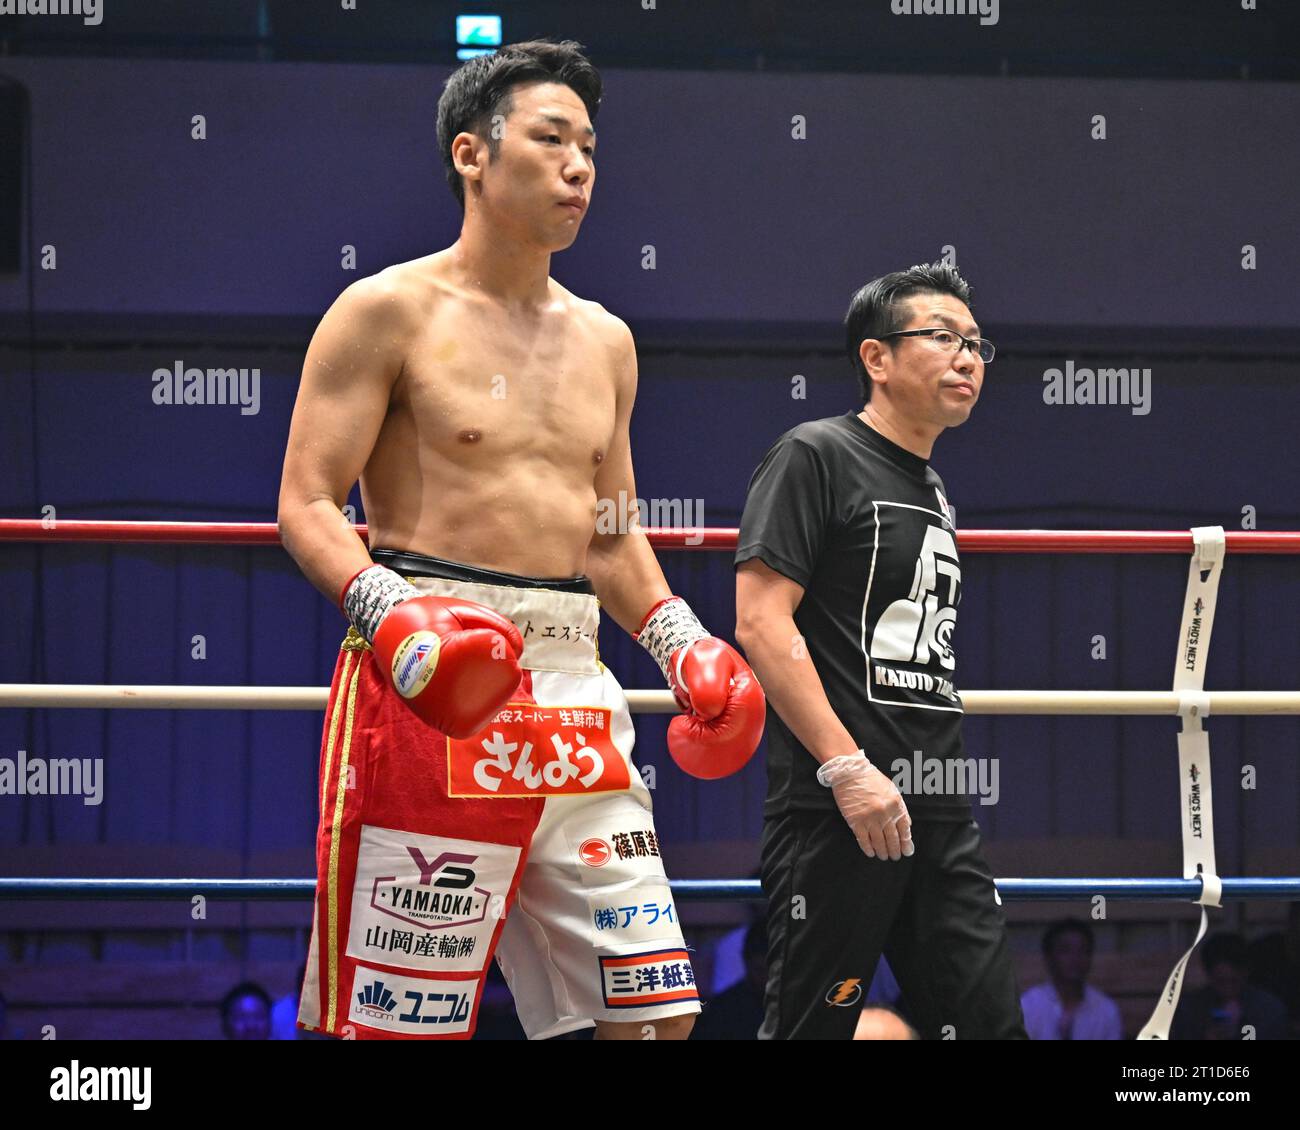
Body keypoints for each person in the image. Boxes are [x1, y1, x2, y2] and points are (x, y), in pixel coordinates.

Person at [278, 39, 763, 1042]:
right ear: (472, 153)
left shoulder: (606, 340)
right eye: (551, 139)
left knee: (655, 1012)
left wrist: (683, 640)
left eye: (589, 145)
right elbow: (308, 503)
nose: (579, 165)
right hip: (426, 676)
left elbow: (611, 530)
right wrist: (395, 616)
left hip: (574, 689)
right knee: (397, 1024)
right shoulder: (385, 310)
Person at [734, 262, 1026, 1040]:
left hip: (936, 806)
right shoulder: (815, 454)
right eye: (943, 337)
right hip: (837, 808)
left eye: (976, 344)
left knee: (991, 1024)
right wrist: (846, 768)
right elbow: (762, 623)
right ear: (877, 357)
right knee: (811, 1030)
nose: (968, 357)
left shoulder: (930, 487)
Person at [1171, 932, 1289, 1040]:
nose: (1228, 990)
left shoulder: (1268, 1009)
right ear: (1209, 975)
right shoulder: (1190, 1008)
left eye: (1234, 982)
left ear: (1246, 973)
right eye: (1221, 982)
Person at [1021, 919, 1122, 1039]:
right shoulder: (1028, 1006)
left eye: (1083, 950)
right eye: (1065, 950)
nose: (1075, 958)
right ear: (1049, 958)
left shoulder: (1106, 1011)